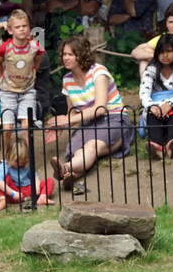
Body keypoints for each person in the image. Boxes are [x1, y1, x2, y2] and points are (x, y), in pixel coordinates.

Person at [47, 36, 133, 193]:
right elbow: (73, 113)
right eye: (64, 54)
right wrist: (60, 127)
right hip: (88, 123)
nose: (65, 58)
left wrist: (67, 120)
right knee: (81, 151)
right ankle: (71, 175)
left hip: (112, 117)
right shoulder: (67, 80)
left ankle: (66, 167)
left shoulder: (98, 72)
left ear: (81, 55)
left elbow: (100, 108)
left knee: (92, 146)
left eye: (70, 54)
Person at [0, 10, 45, 137]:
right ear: (10, 31)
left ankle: (26, 155)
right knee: (7, 126)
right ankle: (8, 156)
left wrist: (34, 69)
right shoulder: (5, 47)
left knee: (26, 125)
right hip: (8, 91)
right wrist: (1, 76)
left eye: (25, 26)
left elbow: (39, 57)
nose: (22, 29)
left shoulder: (35, 46)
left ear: (29, 28)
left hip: (27, 90)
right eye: (18, 27)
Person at [139, 33, 173, 159]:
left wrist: (170, 104)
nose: (165, 55)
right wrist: (152, 106)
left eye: (169, 51)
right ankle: (156, 145)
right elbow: (144, 91)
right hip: (156, 105)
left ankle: (172, 142)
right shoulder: (151, 69)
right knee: (152, 113)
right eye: (161, 52)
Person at [131, 2, 173, 78]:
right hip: (169, 77)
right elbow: (135, 52)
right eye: (171, 22)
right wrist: (155, 56)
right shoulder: (164, 38)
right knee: (145, 56)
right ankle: (147, 87)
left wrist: (163, 56)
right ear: (166, 24)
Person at [0, 137, 56, 211]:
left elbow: (34, 176)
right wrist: (13, 193)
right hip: (14, 193)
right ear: (8, 156)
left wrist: (37, 187)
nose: (20, 164)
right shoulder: (5, 165)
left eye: (23, 160)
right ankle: (3, 201)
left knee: (49, 181)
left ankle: (42, 197)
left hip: (28, 191)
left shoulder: (25, 165)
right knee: (5, 179)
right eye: (17, 161)